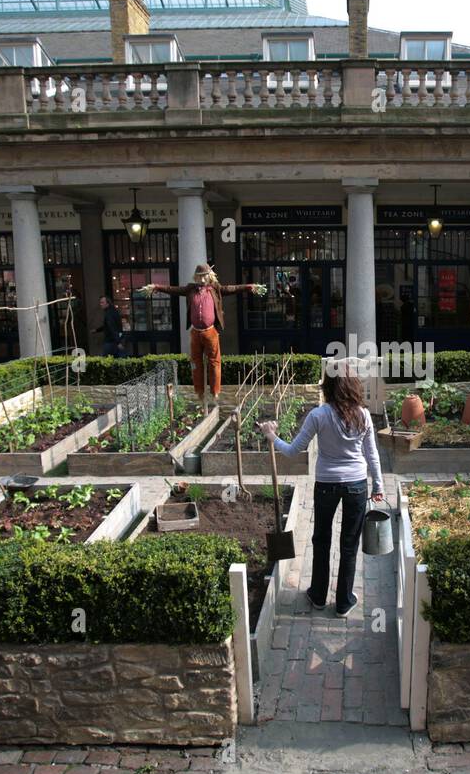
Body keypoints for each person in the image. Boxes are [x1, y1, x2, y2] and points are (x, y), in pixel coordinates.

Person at [259, 370, 383, 618]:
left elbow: (294, 451)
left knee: (321, 539)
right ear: (353, 387)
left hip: (326, 484)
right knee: (349, 545)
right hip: (357, 485)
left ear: (329, 387)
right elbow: (372, 455)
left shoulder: (318, 415)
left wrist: (271, 436)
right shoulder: (364, 415)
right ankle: (344, 602)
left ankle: (317, 595)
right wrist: (378, 485)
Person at [140, 265, 265, 408]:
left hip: (210, 332)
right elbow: (173, 289)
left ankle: (215, 392)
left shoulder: (215, 288)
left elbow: (232, 288)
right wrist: (156, 287)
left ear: (210, 276)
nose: (203, 278)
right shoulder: (190, 289)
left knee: (214, 363)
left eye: (205, 275)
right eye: (200, 276)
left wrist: (248, 287)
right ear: (196, 277)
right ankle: (199, 392)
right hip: (195, 332)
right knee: (195, 363)